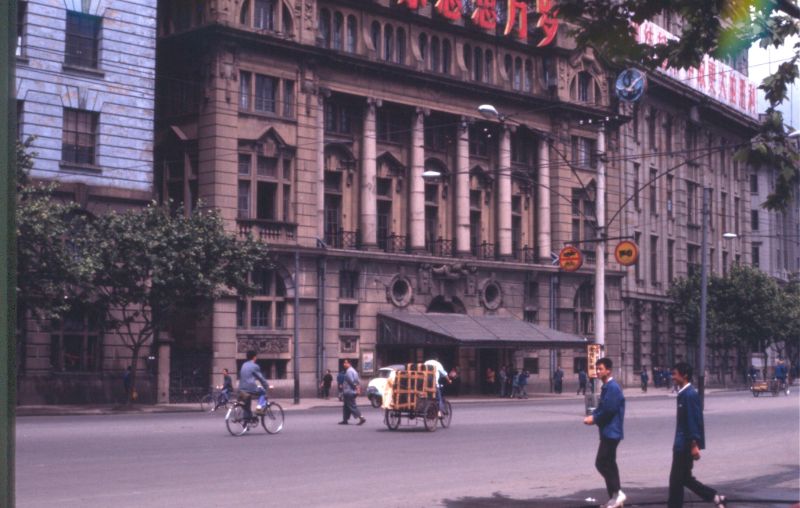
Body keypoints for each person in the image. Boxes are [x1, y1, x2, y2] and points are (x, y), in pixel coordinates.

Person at [667, 362, 727, 508]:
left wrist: (694, 444)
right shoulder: (684, 394)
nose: (672, 377)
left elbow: (693, 420)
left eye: (675, 374)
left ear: (684, 375)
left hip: (685, 444)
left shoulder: (689, 394)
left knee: (676, 481)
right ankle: (715, 498)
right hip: (682, 443)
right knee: (684, 478)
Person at [583, 357, 626, 508]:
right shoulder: (607, 387)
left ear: (608, 370)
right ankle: (614, 498)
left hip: (612, 431)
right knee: (609, 463)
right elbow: (603, 408)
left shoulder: (613, 387)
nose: (598, 371)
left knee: (601, 462)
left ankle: (617, 493)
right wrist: (593, 416)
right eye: (597, 369)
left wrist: (594, 419)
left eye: (600, 369)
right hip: (608, 431)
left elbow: (609, 410)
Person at [238, 350, 270, 423]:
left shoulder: (244, 365)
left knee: (247, 404)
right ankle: (259, 409)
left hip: (241, 388)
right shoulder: (255, 366)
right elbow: (261, 378)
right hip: (250, 388)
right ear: (254, 357)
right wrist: (266, 386)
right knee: (263, 392)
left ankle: (246, 421)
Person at [339, 359, 366, 425]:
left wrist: (356, 388)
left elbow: (351, 381)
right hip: (350, 391)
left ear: (349, 364)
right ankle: (345, 420)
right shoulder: (354, 371)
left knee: (352, 406)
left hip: (349, 391)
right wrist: (357, 388)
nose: (344, 364)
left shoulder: (349, 371)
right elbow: (357, 381)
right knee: (346, 406)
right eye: (344, 363)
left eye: (346, 363)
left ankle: (361, 418)